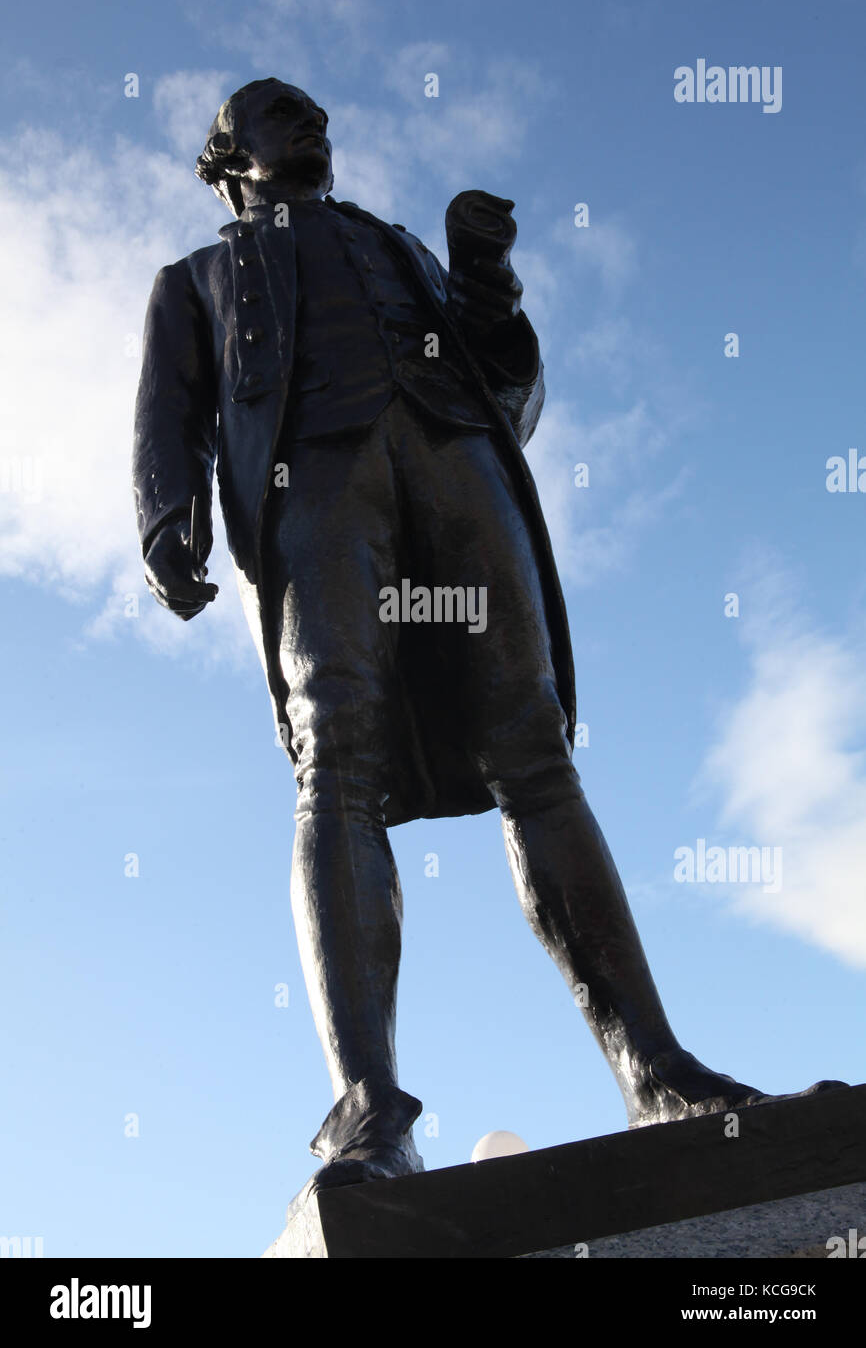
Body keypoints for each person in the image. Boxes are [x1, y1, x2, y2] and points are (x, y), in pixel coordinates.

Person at [133, 79, 838, 1196]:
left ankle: (654, 1069)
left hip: (457, 460)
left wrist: (483, 276)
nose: (311, 121)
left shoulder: (399, 247)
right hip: (313, 486)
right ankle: (369, 1113)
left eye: (316, 110)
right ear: (228, 157)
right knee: (336, 762)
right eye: (278, 111)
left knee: (534, 752)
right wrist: (167, 520)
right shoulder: (193, 281)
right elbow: (170, 414)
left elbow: (507, 384)